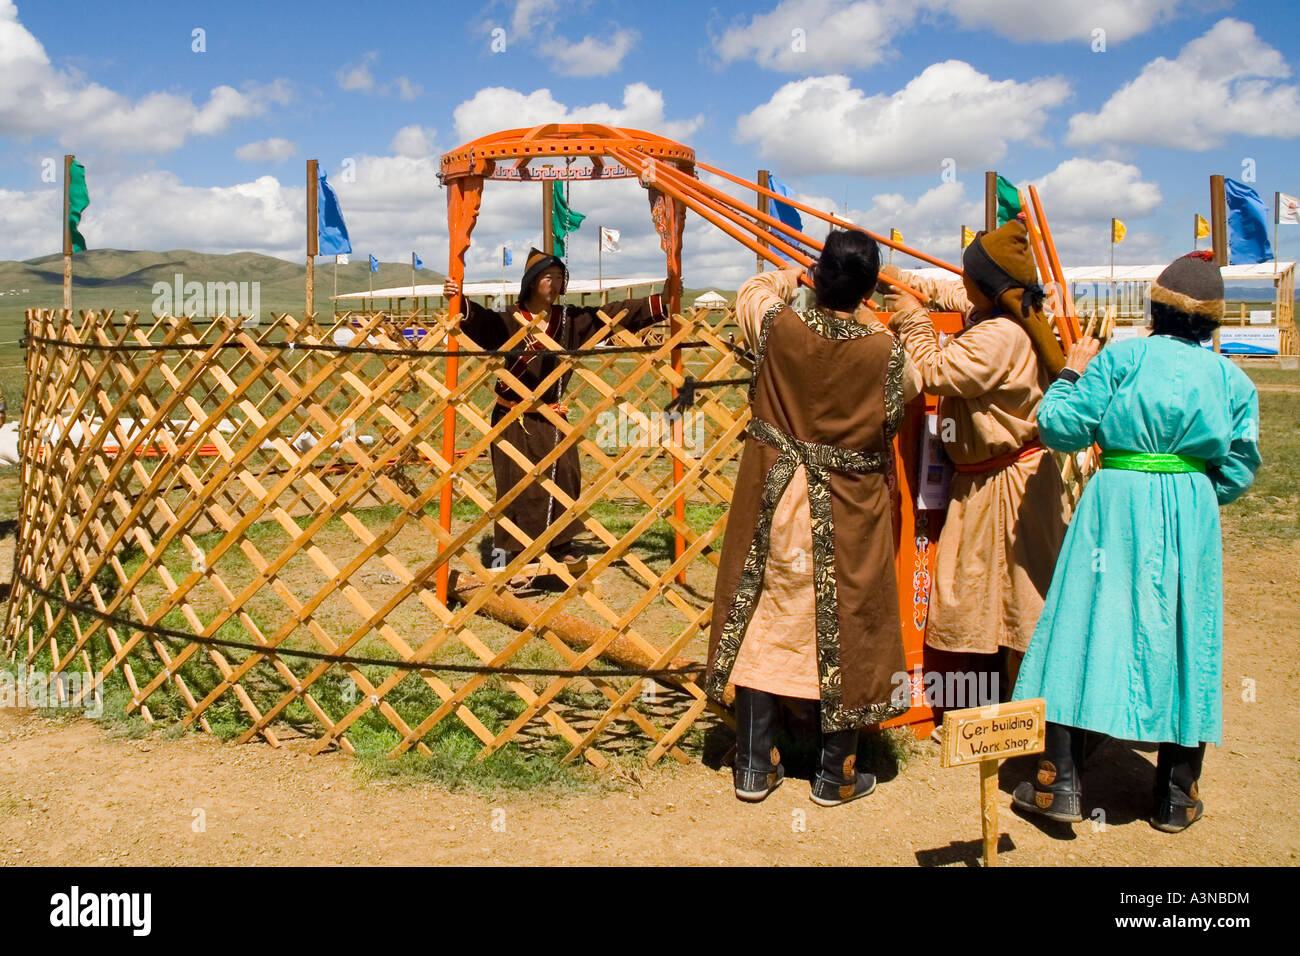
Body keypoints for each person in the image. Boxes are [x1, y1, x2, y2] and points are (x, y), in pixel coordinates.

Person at [1012, 251, 1261, 832]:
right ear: (1213, 322)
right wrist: (1192, 492)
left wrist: (1071, 373)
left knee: (1083, 623)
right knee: (1185, 632)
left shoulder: (1120, 360)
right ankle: (1176, 794)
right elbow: (1241, 466)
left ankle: (1062, 783)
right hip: (1190, 506)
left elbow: (1060, 427)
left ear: (1155, 308)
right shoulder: (1233, 379)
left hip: (1116, 501)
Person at [706, 230, 918, 807]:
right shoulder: (886, 349)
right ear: (869, 288)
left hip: (776, 499)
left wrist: (789, 277)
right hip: (847, 507)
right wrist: (907, 318)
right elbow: (915, 388)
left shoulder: (778, 325)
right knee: (848, 617)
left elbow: (753, 291)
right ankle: (836, 772)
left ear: (819, 278)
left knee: (765, 612)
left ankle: (754, 764)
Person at [882, 220, 1070, 704]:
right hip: (990, 479)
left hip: (1008, 486)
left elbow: (932, 370)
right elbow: (950, 290)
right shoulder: (1013, 311)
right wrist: (900, 280)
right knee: (985, 597)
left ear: (987, 287)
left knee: (1018, 603)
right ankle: (993, 708)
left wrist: (913, 321)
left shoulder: (999, 337)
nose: (961, 283)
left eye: (970, 276)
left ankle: (1031, 715)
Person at [444, 248, 670, 570]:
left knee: (565, 475)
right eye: (548, 277)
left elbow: (611, 315)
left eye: (559, 276)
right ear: (532, 283)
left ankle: (559, 546)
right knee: (514, 484)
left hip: (553, 415)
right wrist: (460, 302)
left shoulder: (570, 321)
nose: (555, 282)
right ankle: (508, 554)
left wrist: (661, 301)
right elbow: (482, 323)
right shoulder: (508, 319)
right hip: (513, 416)